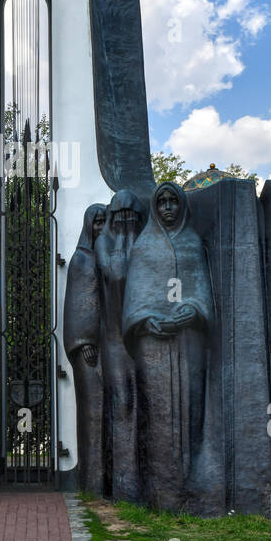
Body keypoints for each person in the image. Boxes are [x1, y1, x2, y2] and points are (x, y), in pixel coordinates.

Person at [122, 181, 214, 510]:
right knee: (157, 410)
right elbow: (136, 295)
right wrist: (146, 319)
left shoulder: (191, 242)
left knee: (191, 408)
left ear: (182, 205)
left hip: (188, 339)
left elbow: (201, 287)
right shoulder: (144, 247)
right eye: (161, 203)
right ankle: (159, 492)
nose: (167, 209)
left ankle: (192, 490)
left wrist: (193, 309)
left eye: (172, 202)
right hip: (153, 344)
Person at [95, 190, 146, 501]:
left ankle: (141, 482)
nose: (126, 220)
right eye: (120, 215)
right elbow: (116, 274)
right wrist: (126, 241)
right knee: (122, 401)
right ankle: (122, 483)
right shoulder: (105, 242)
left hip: (141, 336)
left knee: (146, 402)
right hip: (114, 337)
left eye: (132, 215)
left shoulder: (146, 240)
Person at [63, 203, 107, 494]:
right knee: (93, 413)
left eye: (105, 222)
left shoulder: (111, 256)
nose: (101, 228)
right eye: (97, 222)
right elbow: (79, 306)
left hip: (112, 345)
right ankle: (93, 479)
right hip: (89, 350)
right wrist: (84, 342)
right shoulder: (82, 259)